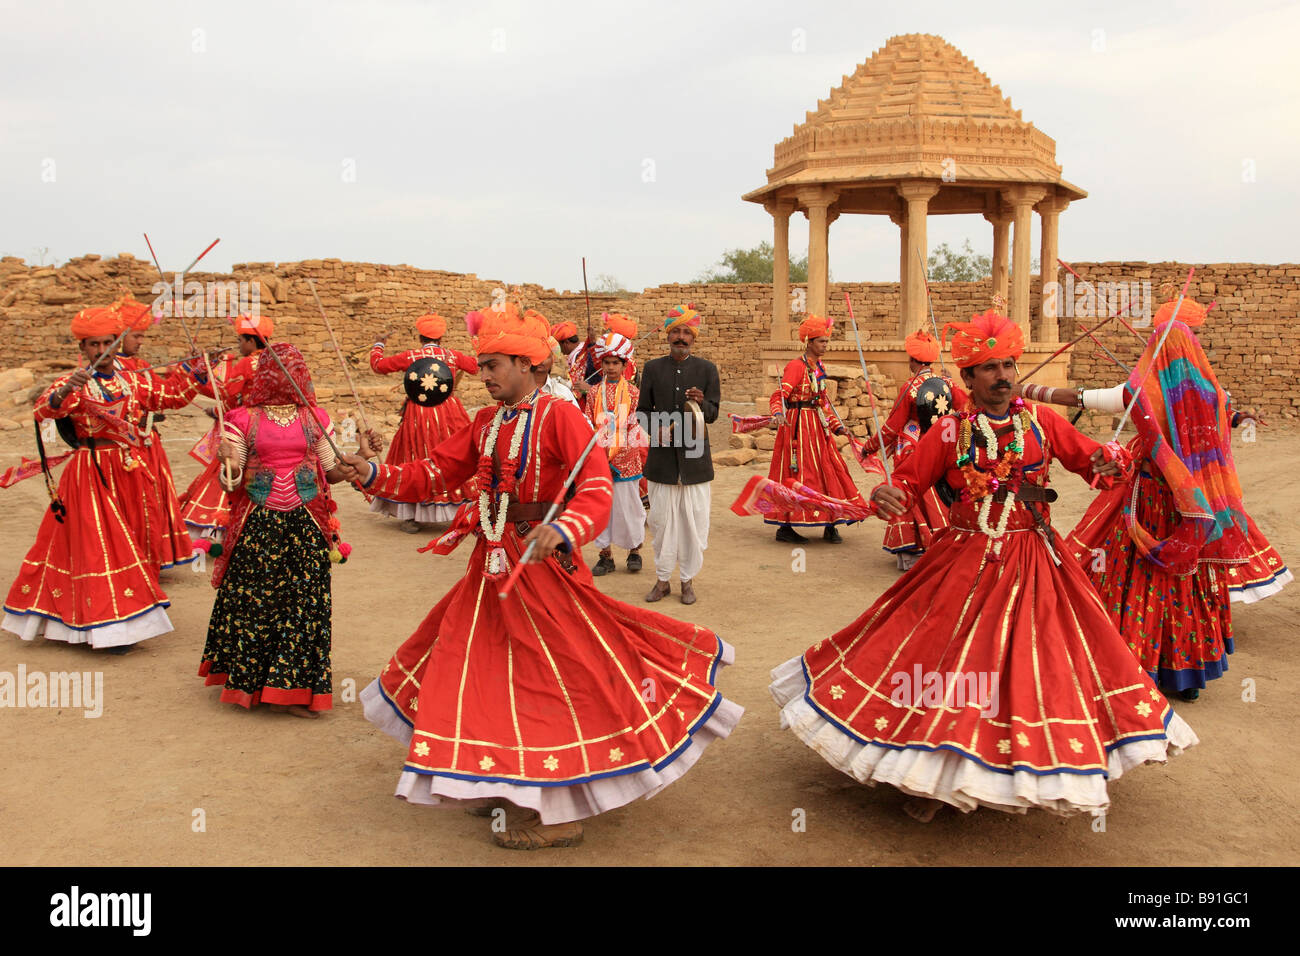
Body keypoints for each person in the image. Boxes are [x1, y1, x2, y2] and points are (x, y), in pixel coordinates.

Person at [337, 305, 741, 850]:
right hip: (491, 566)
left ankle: (559, 814)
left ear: (530, 365)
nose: (484, 376)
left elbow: (595, 486)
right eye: (481, 365)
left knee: (548, 676)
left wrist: (565, 528)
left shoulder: (560, 416)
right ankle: (498, 773)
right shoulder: (485, 423)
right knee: (481, 666)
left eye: (495, 365)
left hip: (542, 569)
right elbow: (433, 472)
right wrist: (369, 472)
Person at [769, 308, 1197, 821]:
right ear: (967, 377)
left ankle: (1038, 761)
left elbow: (1095, 466)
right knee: (944, 658)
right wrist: (888, 493)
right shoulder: (950, 431)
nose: (1003, 376)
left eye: (1009, 366)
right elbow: (907, 484)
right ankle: (928, 775)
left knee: (1042, 660)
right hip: (966, 555)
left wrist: (1112, 462)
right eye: (990, 368)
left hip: (1037, 556)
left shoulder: (1042, 422)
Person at [1029, 291, 1288, 700]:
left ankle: (1137, 667)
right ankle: (1186, 676)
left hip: (1149, 500)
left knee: (1138, 579)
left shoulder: (1140, 391)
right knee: (1187, 581)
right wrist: (1239, 417)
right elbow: (1221, 417)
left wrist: (1031, 390)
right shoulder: (1212, 394)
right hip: (1196, 509)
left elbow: (1083, 398)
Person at [2, 296, 207, 652]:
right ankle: (108, 629)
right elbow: (43, 410)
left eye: (107, 343)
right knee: (100, 547)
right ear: (82, 347)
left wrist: (198, 370)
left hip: (130, 471)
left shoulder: (133, 380)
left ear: (116, 343)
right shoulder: (74, 382)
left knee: (130, 541)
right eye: (93, 344)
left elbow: (170, 396)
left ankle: (120, 622)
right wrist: (67, 389)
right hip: (90, 474)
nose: (101, 350)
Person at [199, 343, 360, 717]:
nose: (287, 375)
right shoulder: (240, 419)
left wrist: (359, 461)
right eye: (280, 368)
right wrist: (226, 462)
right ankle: (254, 685)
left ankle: (293, 691)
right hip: (258, 519)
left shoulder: (315, 418)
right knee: (258, 602)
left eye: (294, 368)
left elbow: (329, 472)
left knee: (305, 604)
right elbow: (230, 483)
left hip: (307, 521)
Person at [859, 330, 968, 569]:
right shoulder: (948, 383)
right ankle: (939, 540)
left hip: (914, 446)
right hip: (942, 444)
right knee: (938, 492)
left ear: (912, 360)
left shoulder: (910, 387)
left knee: (909, 489)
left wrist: (869, 447)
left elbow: (892, 426)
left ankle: (911, 548)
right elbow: (966, 406)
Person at [636, 304, 720, 606]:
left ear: (693, 338)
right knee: (660, 523)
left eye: (686, 332)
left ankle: (687, 581)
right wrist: (655, 429)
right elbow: (641, 412)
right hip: (662, 459)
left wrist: (702, 403)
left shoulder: (707, 370)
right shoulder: (652, 369)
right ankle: (662, 581)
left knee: (692, 523)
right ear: (668, 335)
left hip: (695, 458)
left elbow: (712, 415)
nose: (681, 337)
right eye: (676, 331)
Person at [369, 312, 478, 532]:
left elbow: (378, 366)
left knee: (415, 456)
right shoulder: (452, 356)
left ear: (420, 337)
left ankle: (412, 515)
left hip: (418, 414)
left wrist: (379, 344)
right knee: (456, 457)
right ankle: (463, 510)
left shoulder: (411, 357)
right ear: (441, 338)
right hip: (449, 411)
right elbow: (476, 367)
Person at [764, 314, 866, 545]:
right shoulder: (796, 366)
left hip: (818, 428)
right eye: (821, 341)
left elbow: (823, 401)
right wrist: (778, 412)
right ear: (809, 342)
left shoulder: (819, 367)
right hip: (798, 427)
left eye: (826, 342)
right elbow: (780, 394)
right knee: (797, 474)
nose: (825, 346)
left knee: (830, 470)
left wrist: (838, 426)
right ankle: (786, 526)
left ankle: (832, 523)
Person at [116, 302, 196, 571]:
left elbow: (170, 396)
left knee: (149, 505)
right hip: (122, 451)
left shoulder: (139, 366)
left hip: (146, 445)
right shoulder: (113, 371)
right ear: (119, 335)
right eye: (136, 336)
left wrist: (190, 370)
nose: (141, 341)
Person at [178, 313, 269, 542]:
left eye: (240, 340)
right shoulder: (275, 360)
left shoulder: (248, 363)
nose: (239, 345)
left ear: (250, 341)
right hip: (271, 427)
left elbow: (226, 392)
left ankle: (218, 526)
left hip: (246, 426)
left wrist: (199, 373)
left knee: (228, 470)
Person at [583, 330, 646, 574]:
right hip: (598, 461)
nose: (610, 368)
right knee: (601, 509)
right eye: (607, 363)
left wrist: (618, 457)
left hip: (627, 462)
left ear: (624, 365)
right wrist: (599, 458)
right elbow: (588, 425)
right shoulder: (592, 392)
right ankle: (605, 556)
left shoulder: (633, 393)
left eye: (615, 363)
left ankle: (634, 552)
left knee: (629, 508)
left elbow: (634, 428)